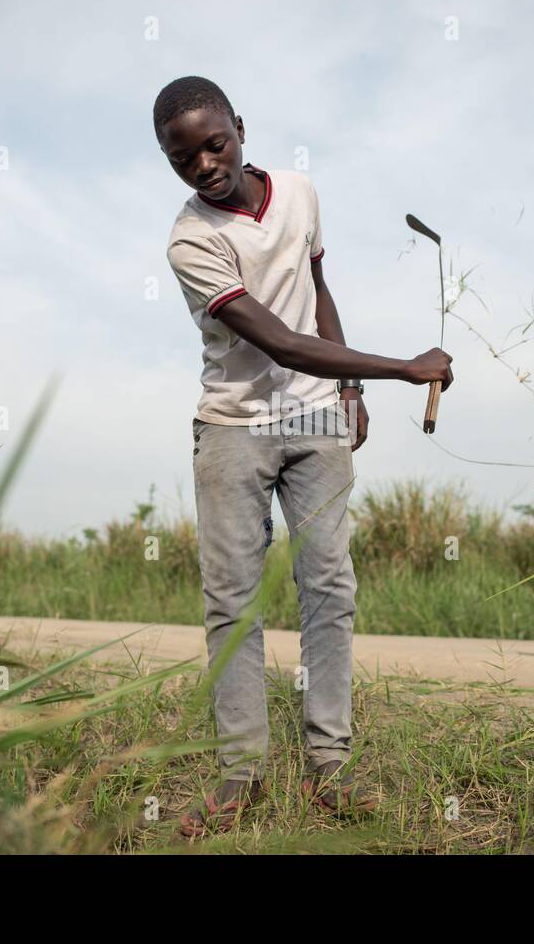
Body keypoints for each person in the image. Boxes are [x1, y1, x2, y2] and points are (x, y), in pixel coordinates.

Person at [154, 76, 453, 836]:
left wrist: (350, 382)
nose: (204, 165)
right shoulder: (191, 240)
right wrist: (404, 367)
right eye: (181, 157)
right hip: (231, 425)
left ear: (240, 128)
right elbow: (278, 339)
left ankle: (330, 764)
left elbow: (317, 289)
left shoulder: (300, 192)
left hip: (317, 418)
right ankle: (239, 774)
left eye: (214, 144)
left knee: (328, 584)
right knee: (234, 598)